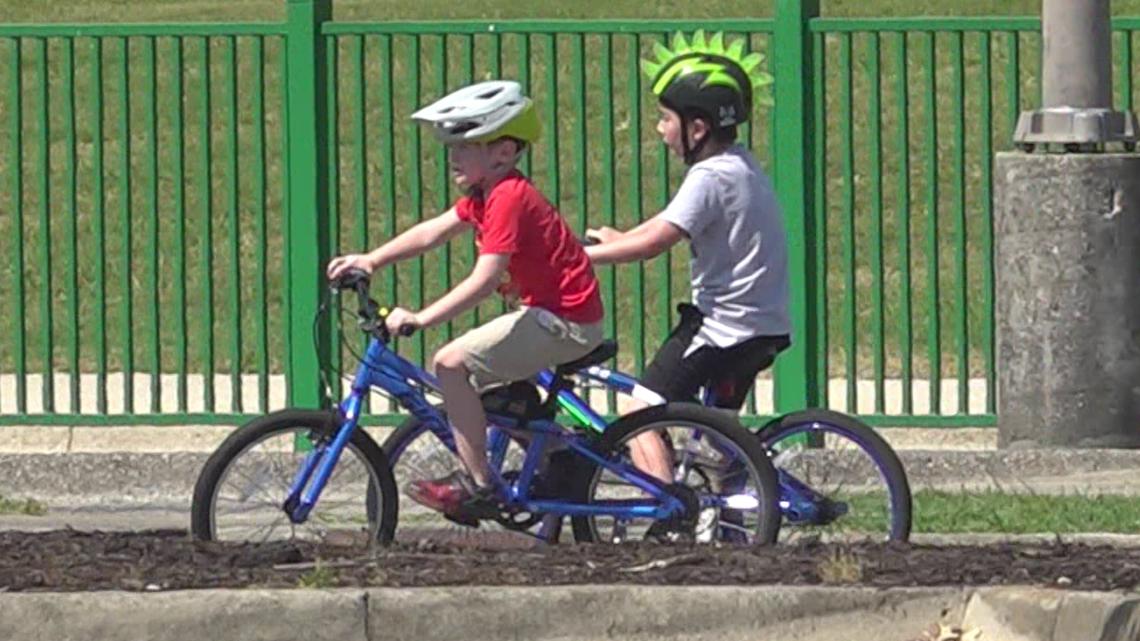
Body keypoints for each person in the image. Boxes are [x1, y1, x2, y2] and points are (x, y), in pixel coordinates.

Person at [327, 80, 604, 519]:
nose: (453, 155)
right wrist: (371, 259)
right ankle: (557, 458)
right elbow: (431, 232)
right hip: (549, 315)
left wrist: (422, 318)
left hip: (564, 320)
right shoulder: (487, 195)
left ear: (504, 151)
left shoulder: (509, 197)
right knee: (490, 392)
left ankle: (480, 486)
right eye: (451, 145)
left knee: (450, 364)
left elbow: (484, 278)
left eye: (465, 144)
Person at [585, 31, 792, 484]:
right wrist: (620, 236)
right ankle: (745, 517)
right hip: (762, 327)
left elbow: (655, 242)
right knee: (722, 439)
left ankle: (668, 514)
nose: (659, 131)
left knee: (639, 412)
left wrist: (580, 259)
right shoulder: (740, 165)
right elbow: (668, 222)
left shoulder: (709, 177)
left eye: (664, 119)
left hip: (722, 329)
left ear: (697, 128)